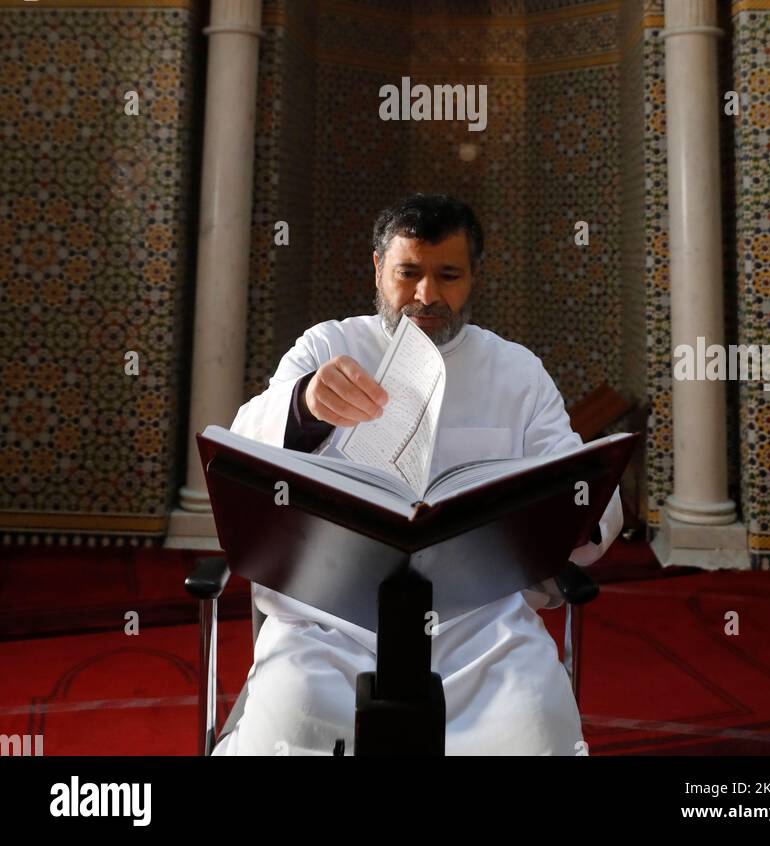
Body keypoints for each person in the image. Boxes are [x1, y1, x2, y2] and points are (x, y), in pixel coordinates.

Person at [212, 193, 623, 756]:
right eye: (408, 273)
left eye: (448, 275)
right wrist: (306, 404)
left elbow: (581, 487)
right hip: (328, 621)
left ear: (473, 276)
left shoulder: (517, 372)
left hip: (479, 626)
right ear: (379, 269)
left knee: (532, 721)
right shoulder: (329, 346)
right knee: (295, 719)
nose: (427, 295)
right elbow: (242, 450)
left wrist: (578, 515)